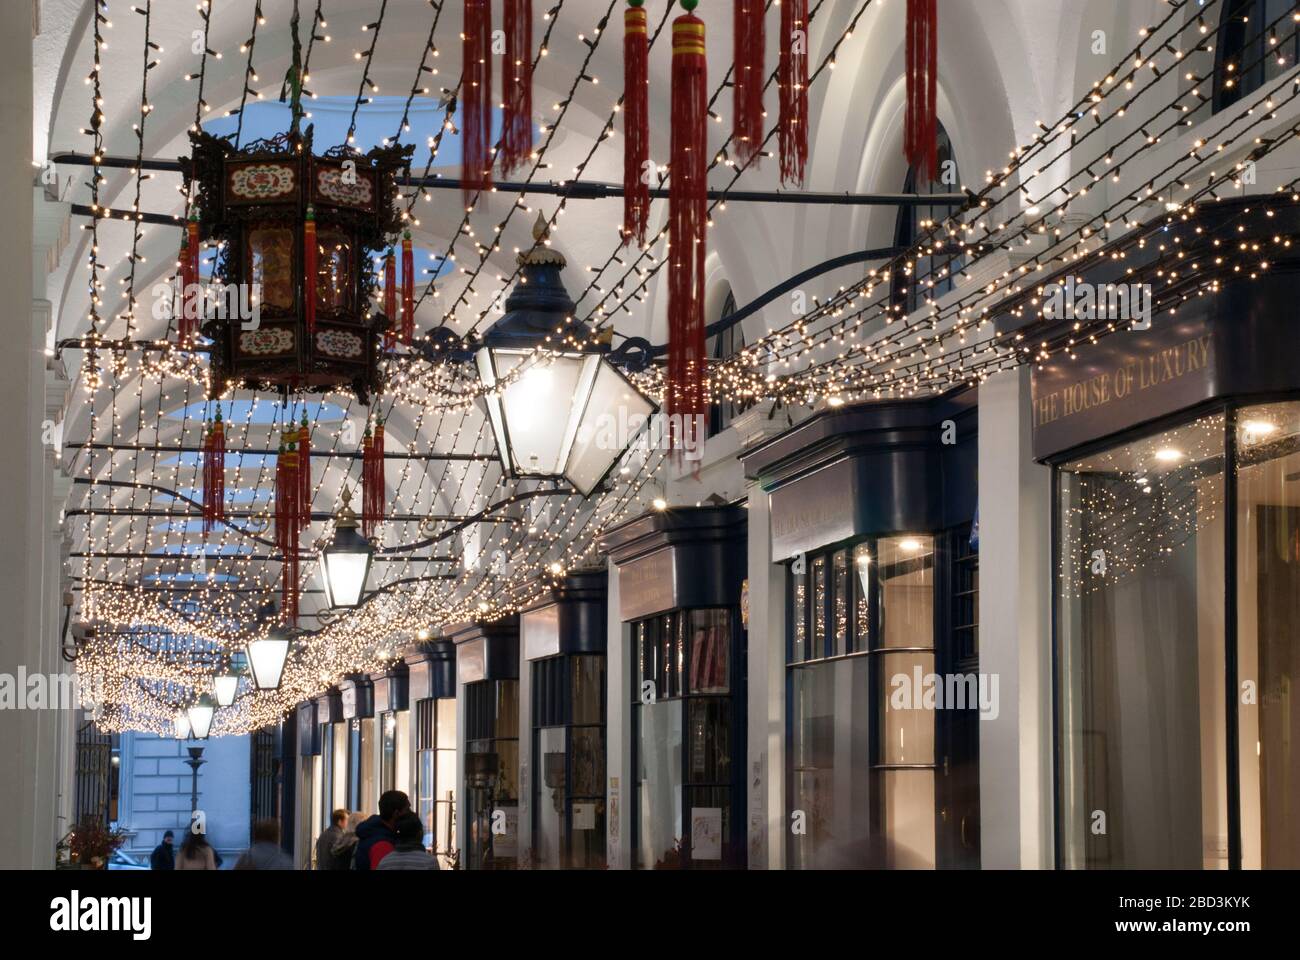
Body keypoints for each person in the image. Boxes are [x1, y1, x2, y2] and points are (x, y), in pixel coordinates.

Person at [353, 790, 410, 870]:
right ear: (396, 813)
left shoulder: (375, 833)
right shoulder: (382, 845)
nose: (410, 814)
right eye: (407, 810)